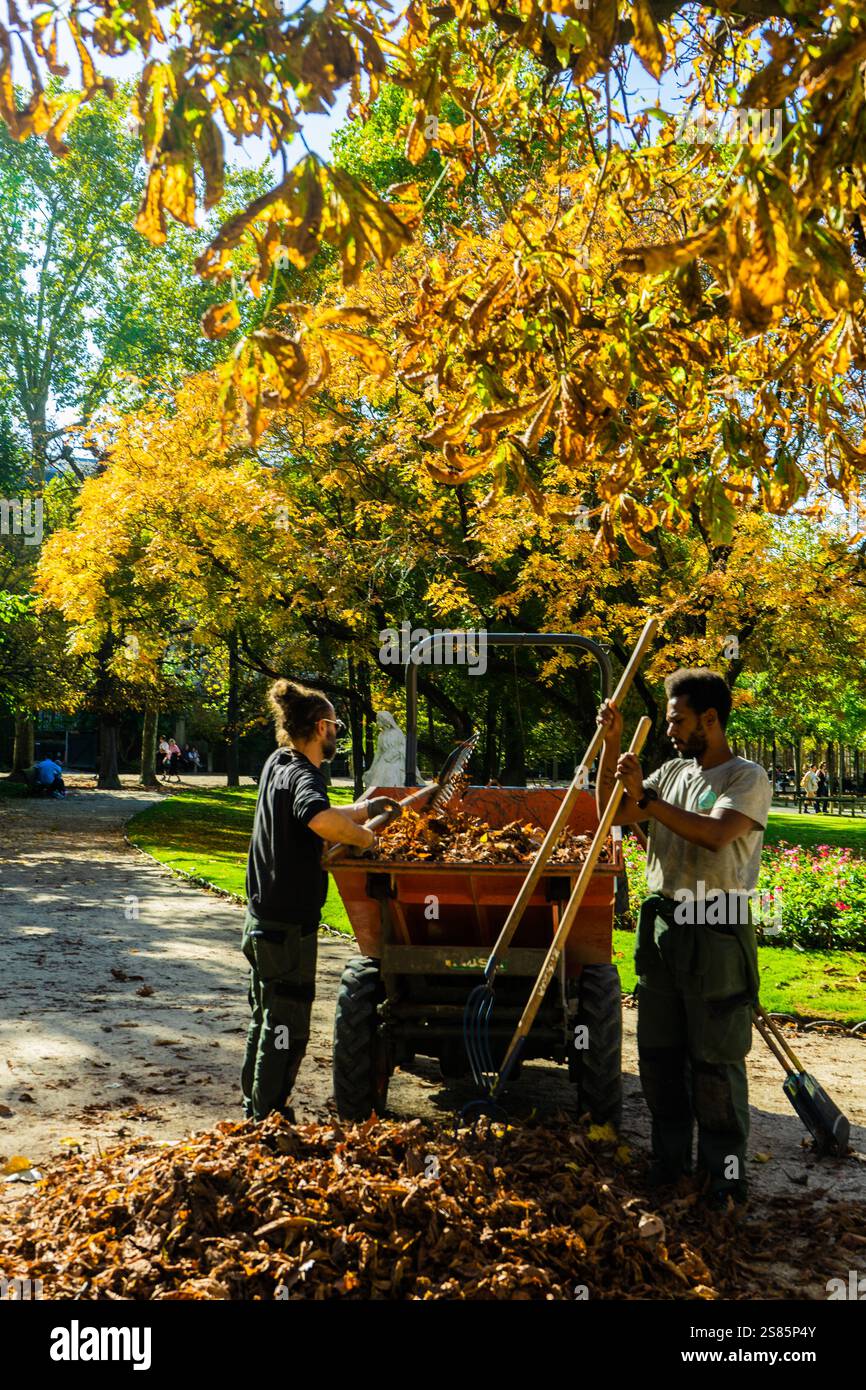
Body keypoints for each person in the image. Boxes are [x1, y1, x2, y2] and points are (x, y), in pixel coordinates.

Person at [596, 668, 772, 1209]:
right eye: (669, 720)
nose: (671, 729)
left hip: (717, 926)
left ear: (711, 719)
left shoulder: (747, 778)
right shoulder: (671, 772)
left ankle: (724, 1178)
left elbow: (716, 835)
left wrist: (644, 801)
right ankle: (668, 1165)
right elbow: (610, 813)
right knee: (661, 1058)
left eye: (679, 719)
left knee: (715, 1062)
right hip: (663, 925)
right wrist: (612, 747)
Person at [242, 678, 402, 1123]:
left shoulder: (281, 762)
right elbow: (317, 818)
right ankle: (266, 1120)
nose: (338, 732)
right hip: (286, 928)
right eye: (335, 724)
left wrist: (365, 810)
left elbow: (317, 813)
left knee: (266, 1020)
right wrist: (366, 838)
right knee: (286, 1029)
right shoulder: (303, 773)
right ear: (319, 727)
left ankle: (255, 1110)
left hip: (262, 920)